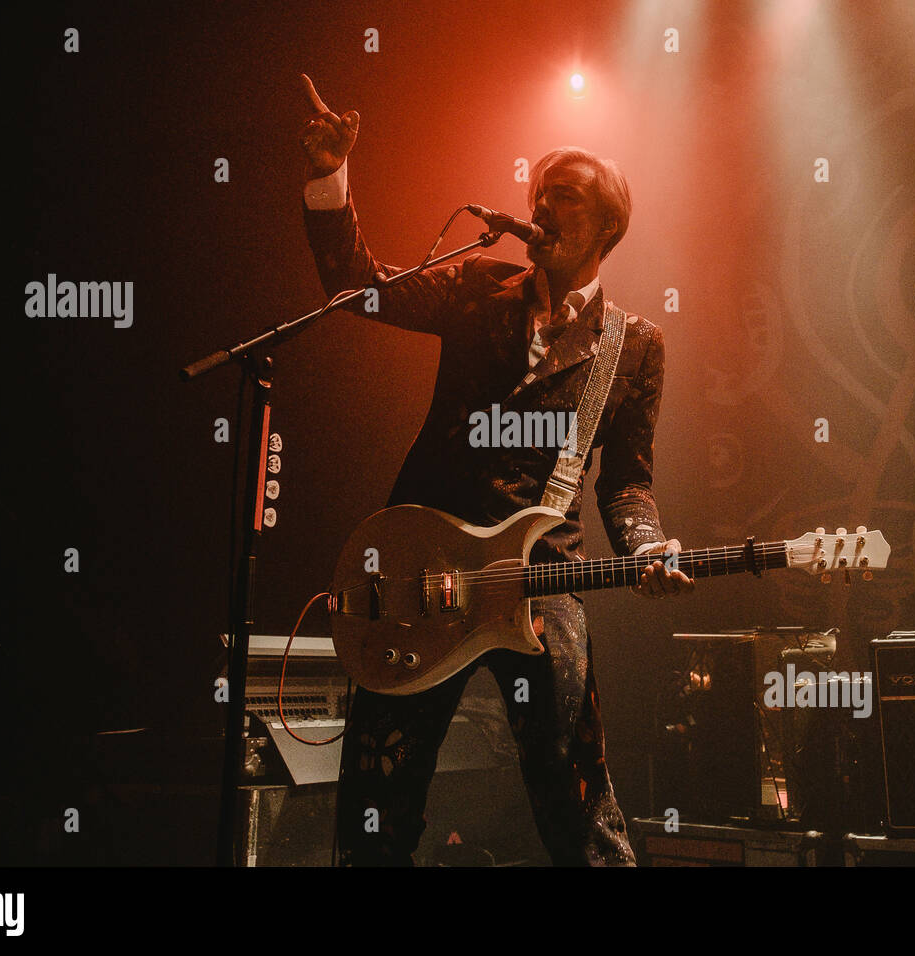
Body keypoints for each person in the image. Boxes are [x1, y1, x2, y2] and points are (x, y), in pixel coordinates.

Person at [299, 74, 693, 866]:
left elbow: (627, 481)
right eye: (538, 193)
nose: (541, 205)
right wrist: (330, 176)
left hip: (541, 580)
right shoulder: (478, 286)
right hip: (420, 568)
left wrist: (647, 546)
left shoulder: (635, 345)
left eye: (565, 196)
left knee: (578, 806)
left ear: (609, 223)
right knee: (377, 802)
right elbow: (358, 289)